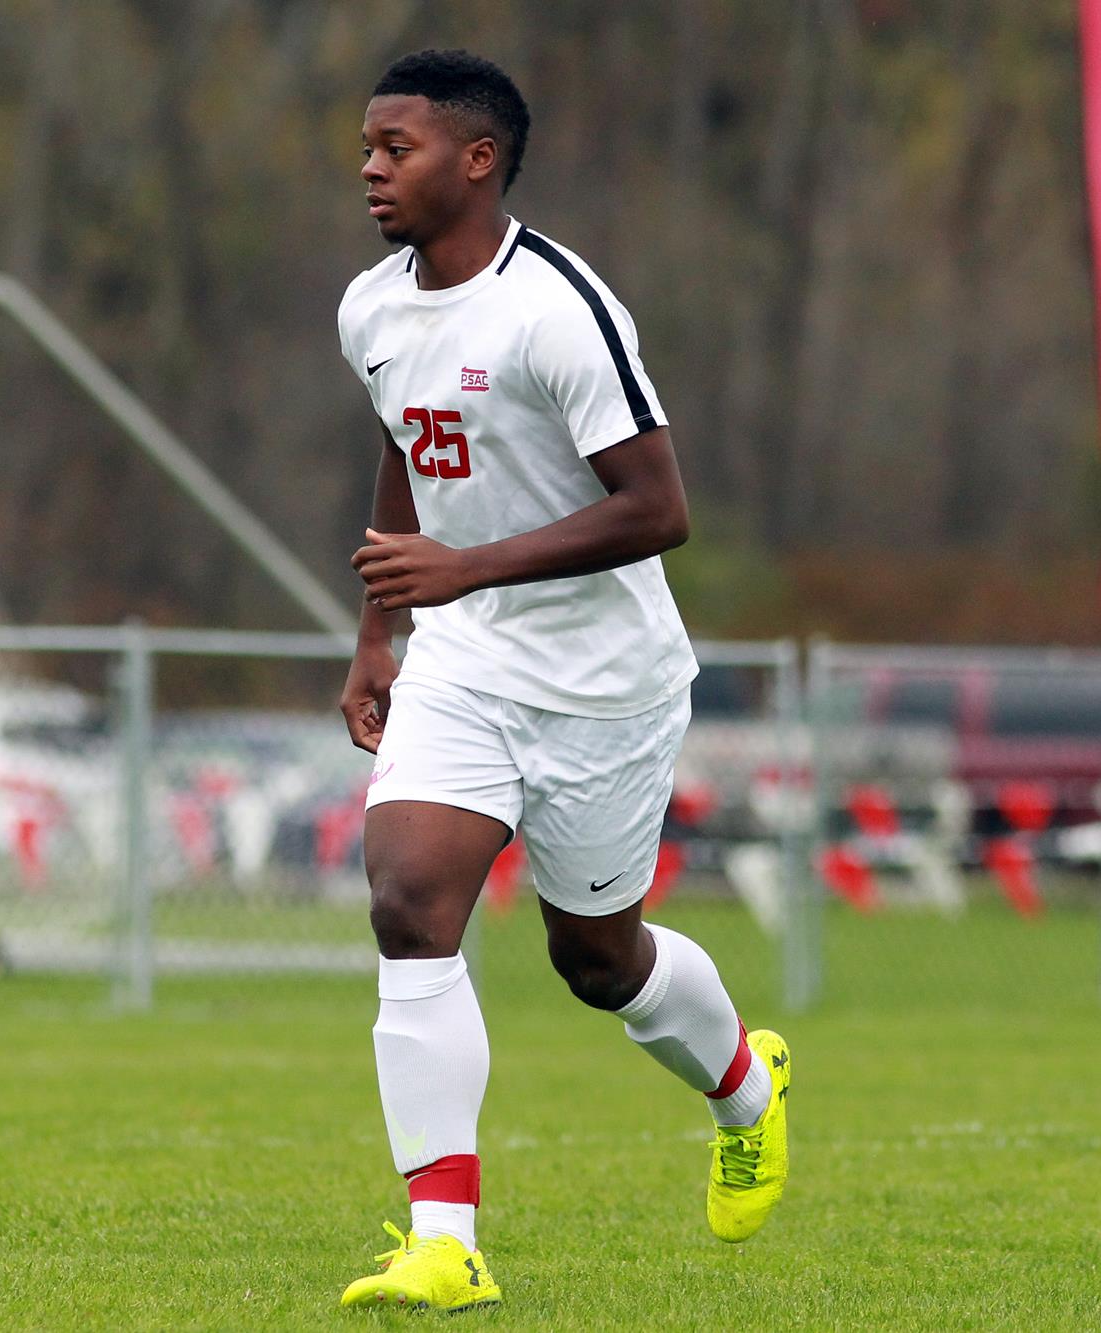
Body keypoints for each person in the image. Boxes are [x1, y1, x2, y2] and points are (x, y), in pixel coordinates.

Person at [333, 48, 790, 1313]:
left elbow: (658, 509)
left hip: (603, 681)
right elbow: (405, 442)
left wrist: (464, 564)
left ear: (475, 160)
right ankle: (444, 1240)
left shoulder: (556, 308)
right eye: (366, 147)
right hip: (466, 661)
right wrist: (379, 633)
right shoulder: (369, 308)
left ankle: (745, 1085)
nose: (370, 169)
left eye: (396, 147)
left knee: (596, 961)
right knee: (410, 897)